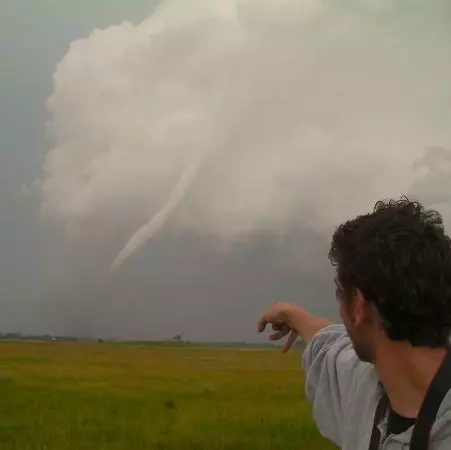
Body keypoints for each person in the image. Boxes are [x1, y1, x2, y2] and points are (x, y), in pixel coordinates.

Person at [258, 198, 451, 449]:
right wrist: (293, 314)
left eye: (341, 294)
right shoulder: (365, 382)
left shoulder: (359, 392)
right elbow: (330, 342)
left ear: (358, 306)